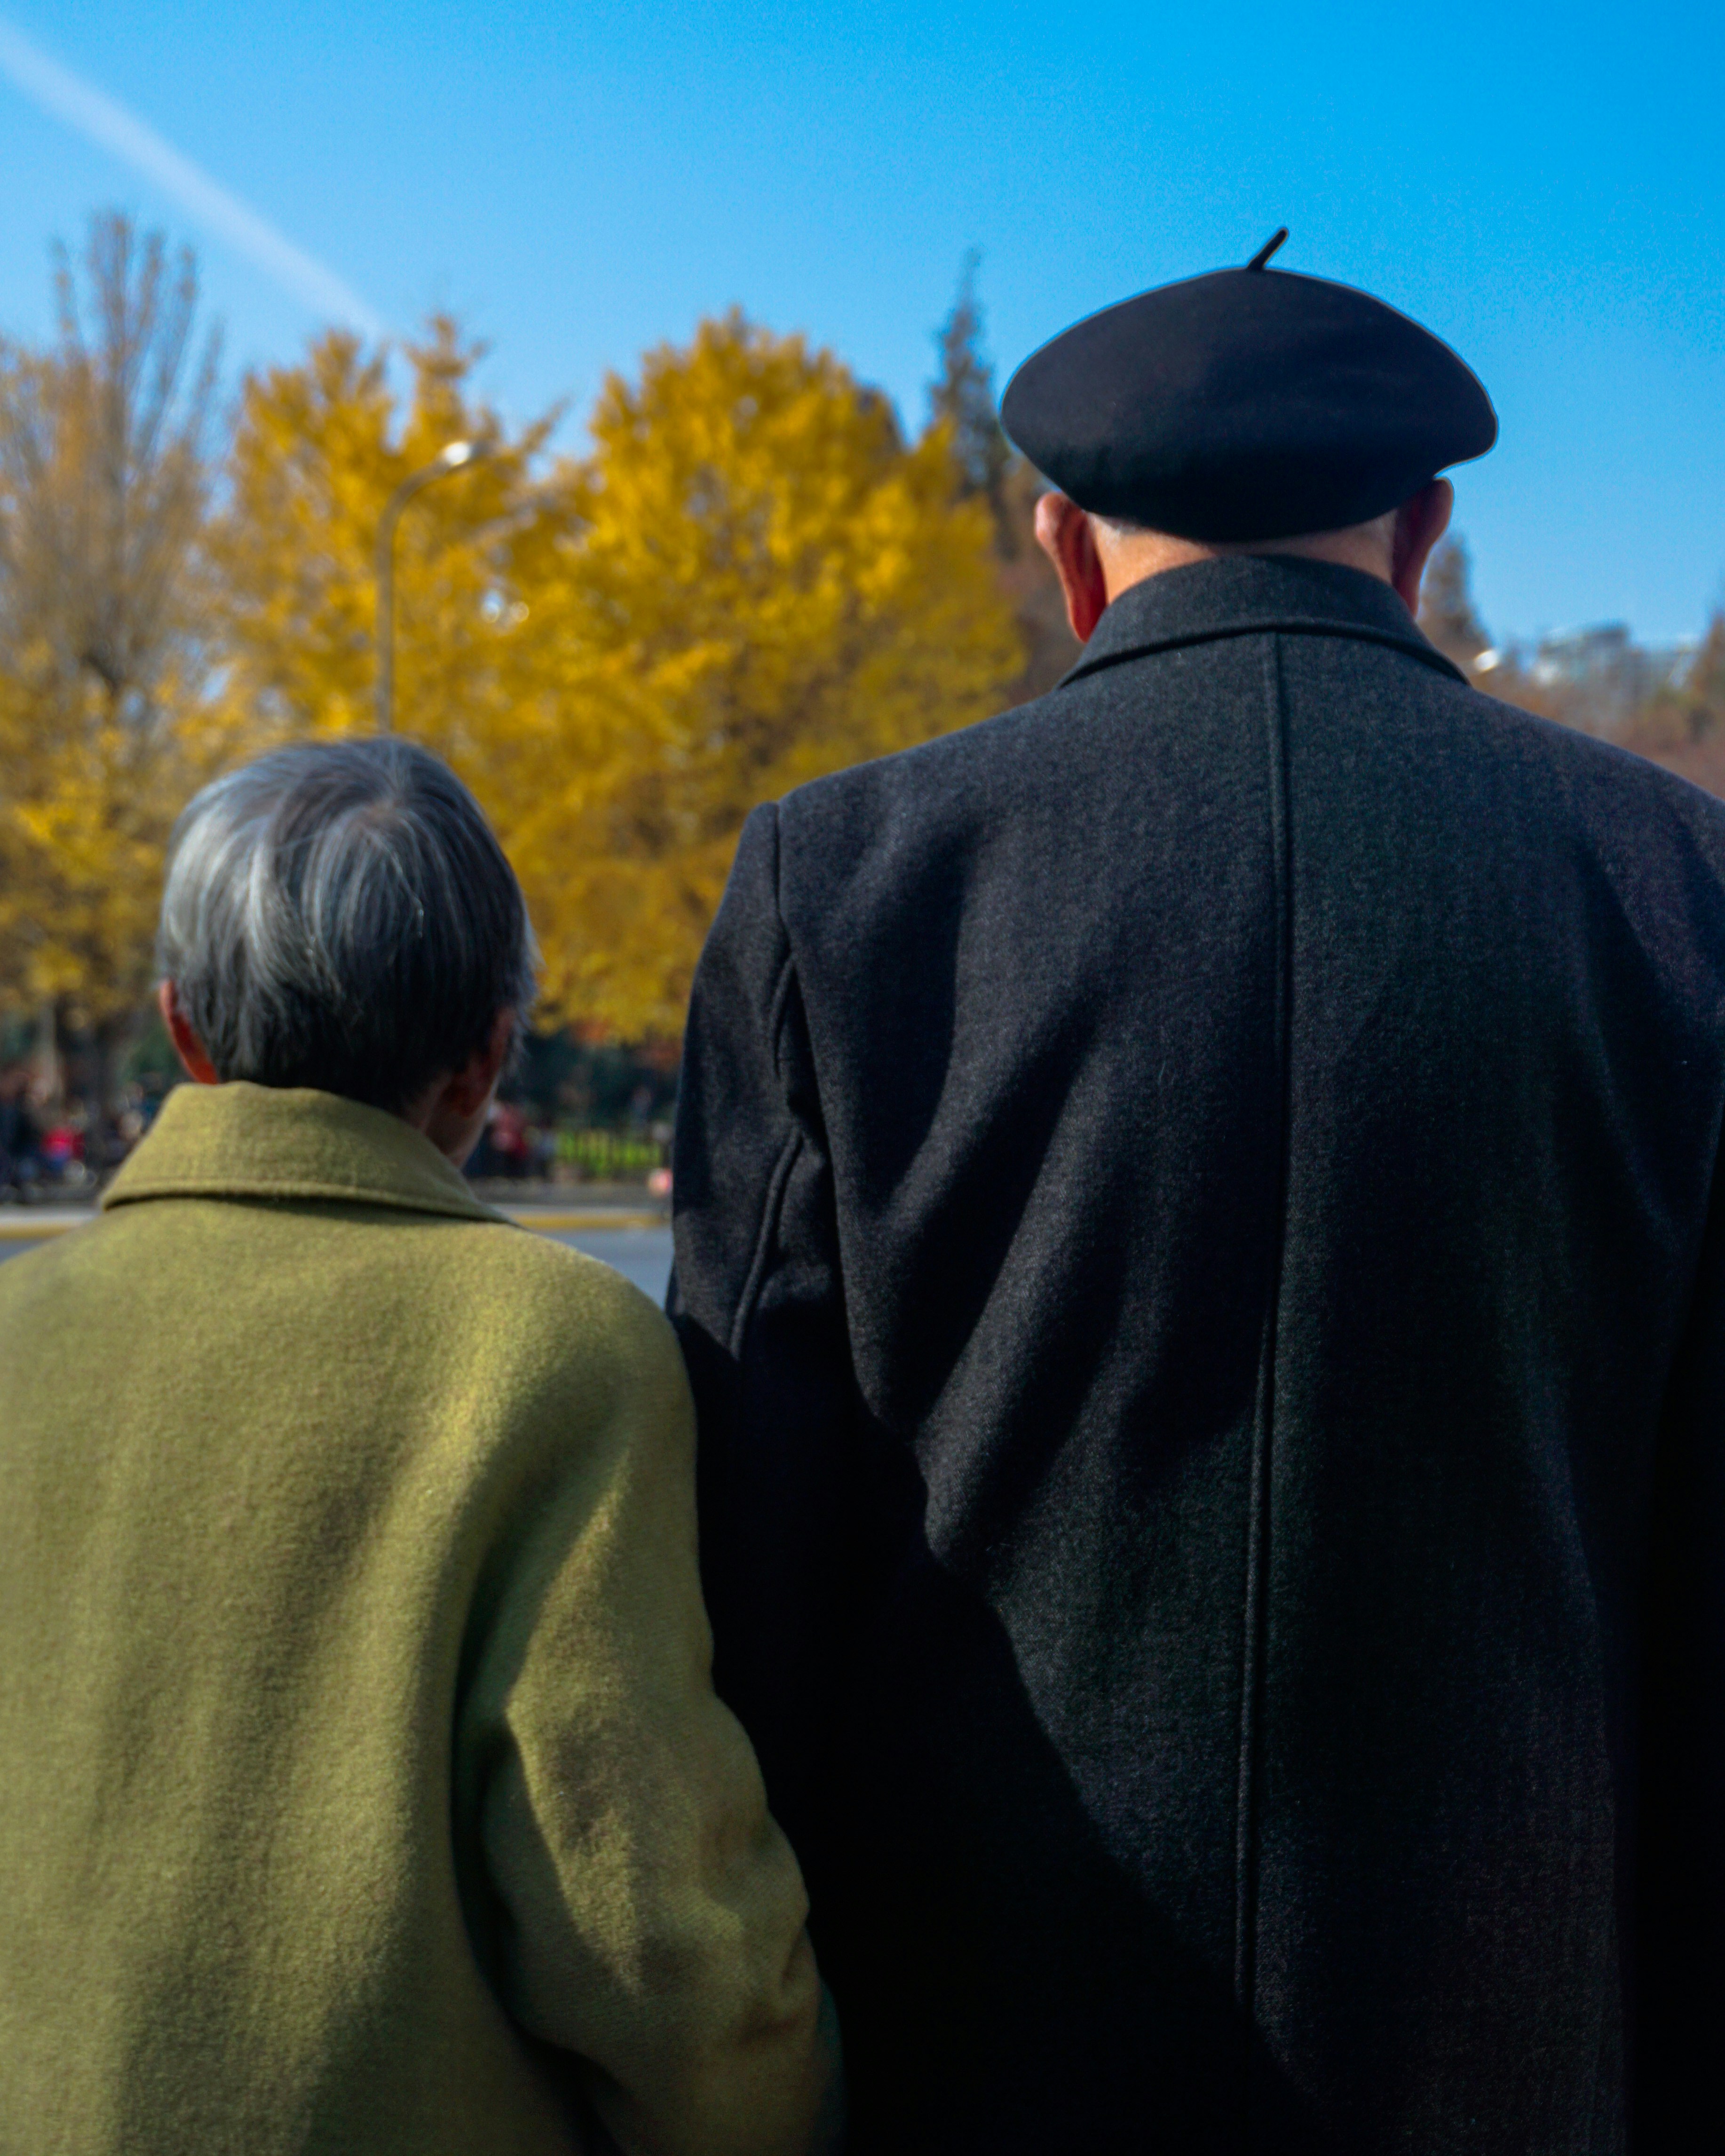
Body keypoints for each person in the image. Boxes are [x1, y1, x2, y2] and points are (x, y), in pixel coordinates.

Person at [668, 240, 1725, 2151]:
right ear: (1419, 537)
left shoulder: (845, 882)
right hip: (1515, 2046)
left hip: (976, 2044)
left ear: (1066, 551)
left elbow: (750, 1556)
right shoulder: (1675, 892)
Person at [0, 738, 839, 2156]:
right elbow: (650, 1936)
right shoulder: (555, 1352)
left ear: (181, 1031)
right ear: (486, 1057)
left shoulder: (22, 1323)